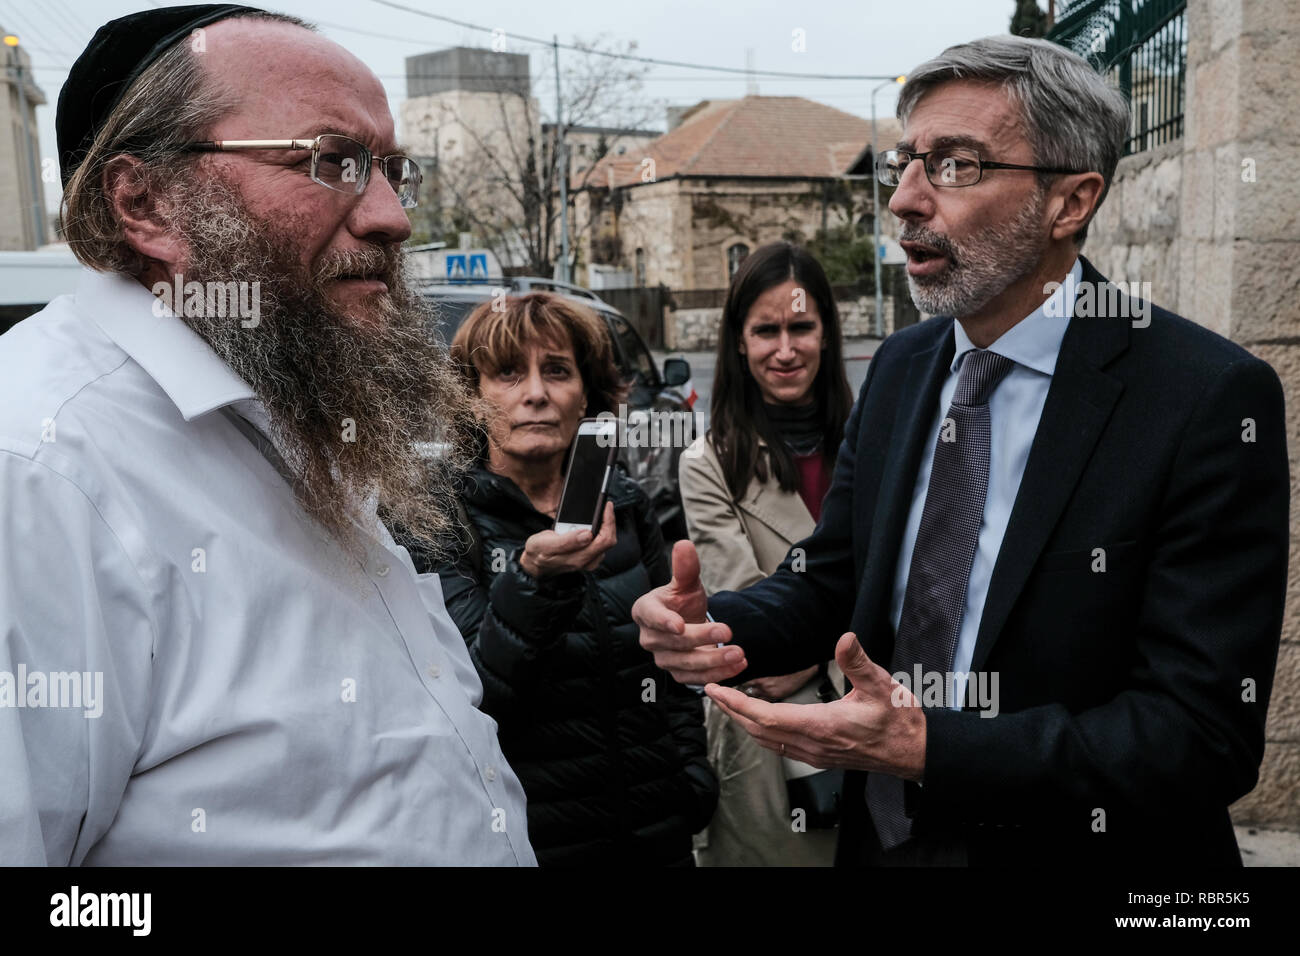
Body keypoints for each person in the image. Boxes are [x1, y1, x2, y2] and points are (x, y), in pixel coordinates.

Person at [634, 34, 1289, 867]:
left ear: (1070, 201)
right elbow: (835, 575)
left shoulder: (1204, 397)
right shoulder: (905, 366)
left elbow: (1201, 735)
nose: (905, 199)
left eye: (957, 165)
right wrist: (717, 625)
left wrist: (928, 747)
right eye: (906, 161)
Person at [0, 5, 534, 865]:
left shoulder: (291, 404)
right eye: (333, 161)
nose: (393, 217)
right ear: (146, 203)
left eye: (394, 170)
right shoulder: (40, 467)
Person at [400, 292, 718, 866]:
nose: (536, 394)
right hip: (529, 842)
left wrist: (689, 778)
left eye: (557, 371)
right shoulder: (440, 520)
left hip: (656, 830)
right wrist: (534, 584)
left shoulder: (624, 502)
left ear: (587, 397)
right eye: (506, 374)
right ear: (472, 399)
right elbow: (473, 697)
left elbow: (667, 669)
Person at [678, 241, 854, 866]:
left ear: (828, 335)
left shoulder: (877, 443)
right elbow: (749, 623)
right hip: (769, 741)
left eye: (802, 327)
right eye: (766, 331)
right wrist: (839, 630)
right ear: (739, 343)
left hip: (882, 720)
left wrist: (808, 645)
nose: (785, 350)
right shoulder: (709, 464)